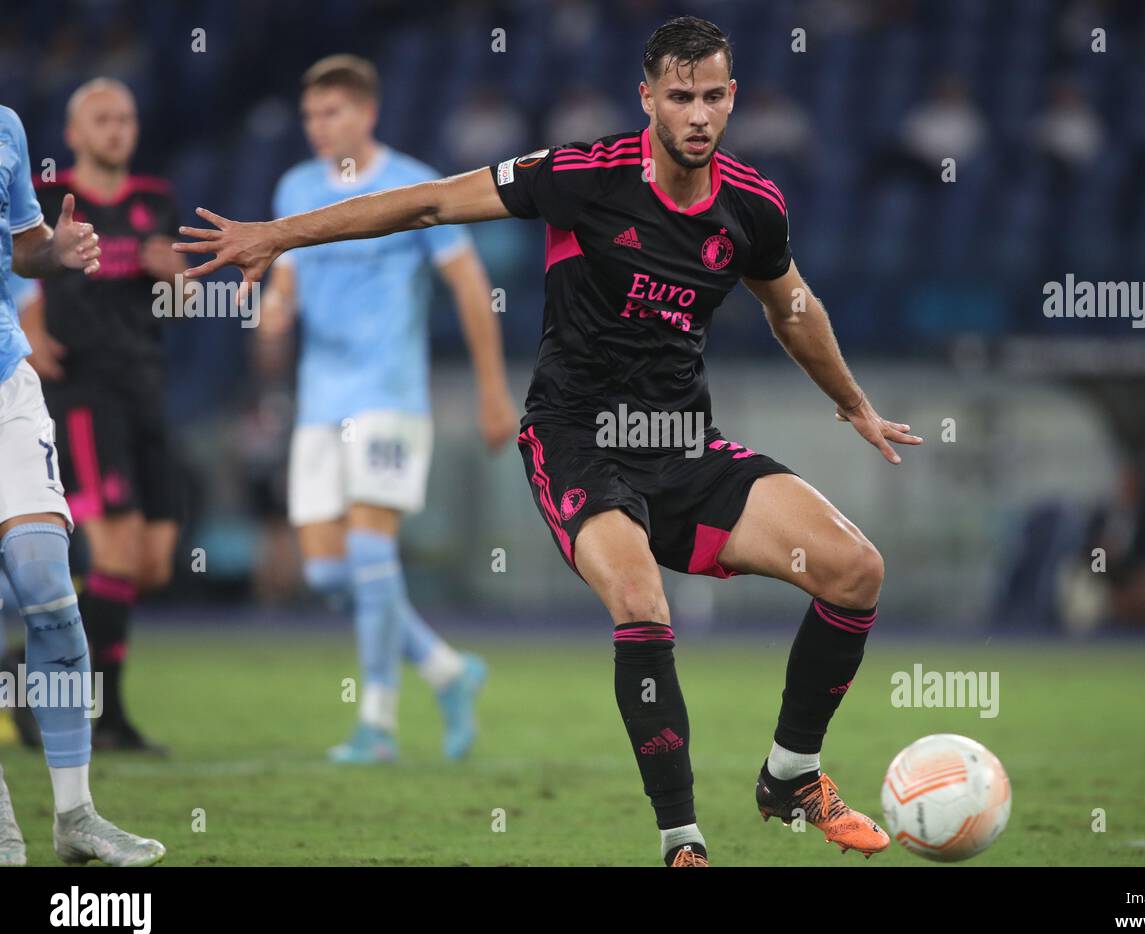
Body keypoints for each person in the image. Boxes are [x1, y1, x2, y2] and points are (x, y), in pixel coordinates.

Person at [175, 17, 921, 867]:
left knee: (856, 569)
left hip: (684, 443)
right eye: (680, 97)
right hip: (576, 440)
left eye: (713, 95)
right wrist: (280, 234)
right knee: (642, 604)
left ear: (733, 97)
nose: (699, 114)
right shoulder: (578, 176)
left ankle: (791, 776)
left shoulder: (753, 204)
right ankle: (683, 842)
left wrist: (852, 402)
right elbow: (423, 202)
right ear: (648, 99)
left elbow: (791, 307)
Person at [258, 55, 517, 763]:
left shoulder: (414, 186)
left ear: (366, 114)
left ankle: (376, 723)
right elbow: (287, 280)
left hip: (388, 396)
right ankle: (446, 670)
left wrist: (494, 392)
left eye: (332, 112)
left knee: (372, 552)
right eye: (310, 115)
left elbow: (470, 285)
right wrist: (273, 313)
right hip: (319, 402)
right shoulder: (296, 187)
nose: (318, 127)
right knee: (328, 574)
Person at [0, 103, 165, 866]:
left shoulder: (5, 127)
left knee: (50, 591)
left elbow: (24, 250)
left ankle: (75, 817)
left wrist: (57, 251)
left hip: (7, 386)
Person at [18, 78, 189, 753]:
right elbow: (13, 268)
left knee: (150, 565)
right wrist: (24, 318)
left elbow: (180, 307)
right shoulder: (46, 197)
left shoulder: (156, 202)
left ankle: (24, 670)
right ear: (74, 131)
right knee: (114, 551)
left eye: (126, 117)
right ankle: (105, 717)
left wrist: (173, 273)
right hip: (84, 393)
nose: (118, 128)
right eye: (103, 118)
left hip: (147, 386)